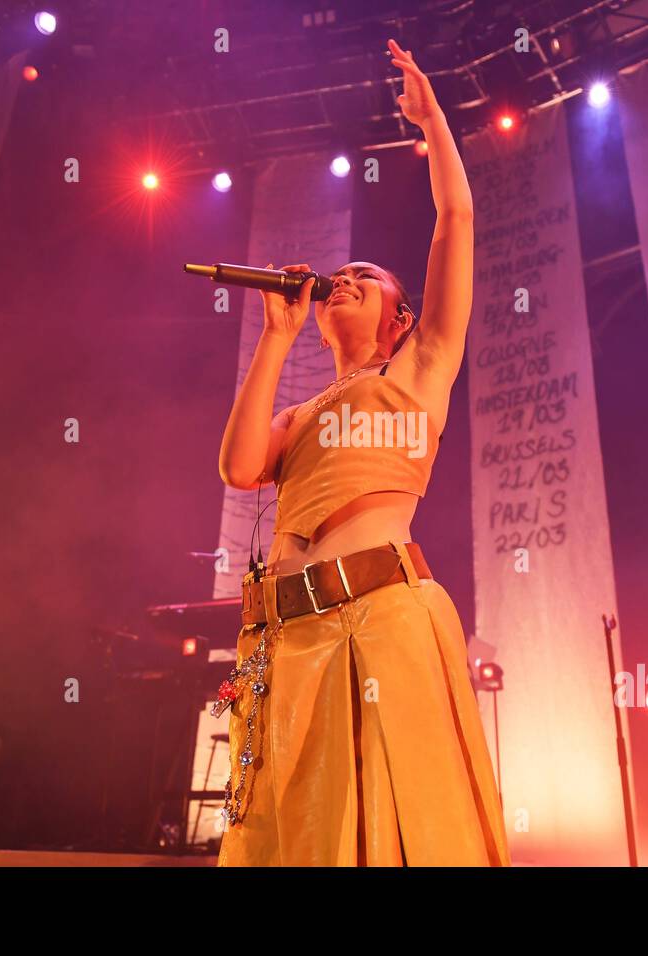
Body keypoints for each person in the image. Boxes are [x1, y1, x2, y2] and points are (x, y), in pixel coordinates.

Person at [214, 38, 509, 866]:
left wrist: (434, 120)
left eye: (364, 277)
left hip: (378, 616)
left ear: (401, 317)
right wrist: (275, 339)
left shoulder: (422, 366)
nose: (341, 279)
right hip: (287, 637)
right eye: (335, 277)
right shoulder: (305, 411)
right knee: (294, 834)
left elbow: (456, 221)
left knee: (385, 826)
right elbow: (239, 468)